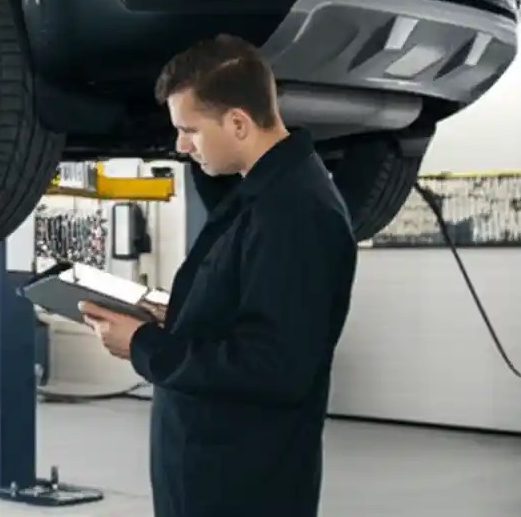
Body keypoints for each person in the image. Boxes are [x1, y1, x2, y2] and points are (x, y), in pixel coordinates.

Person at [80, 34, 358, 517]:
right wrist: (179, 313)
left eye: (190, 129)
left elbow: (274, 368)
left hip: (242, 486)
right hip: (214, 473)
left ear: (238, 122)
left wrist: (144, 345)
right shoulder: (265, 193)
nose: (180, 145)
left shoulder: (294, 213)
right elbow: (247, 304)